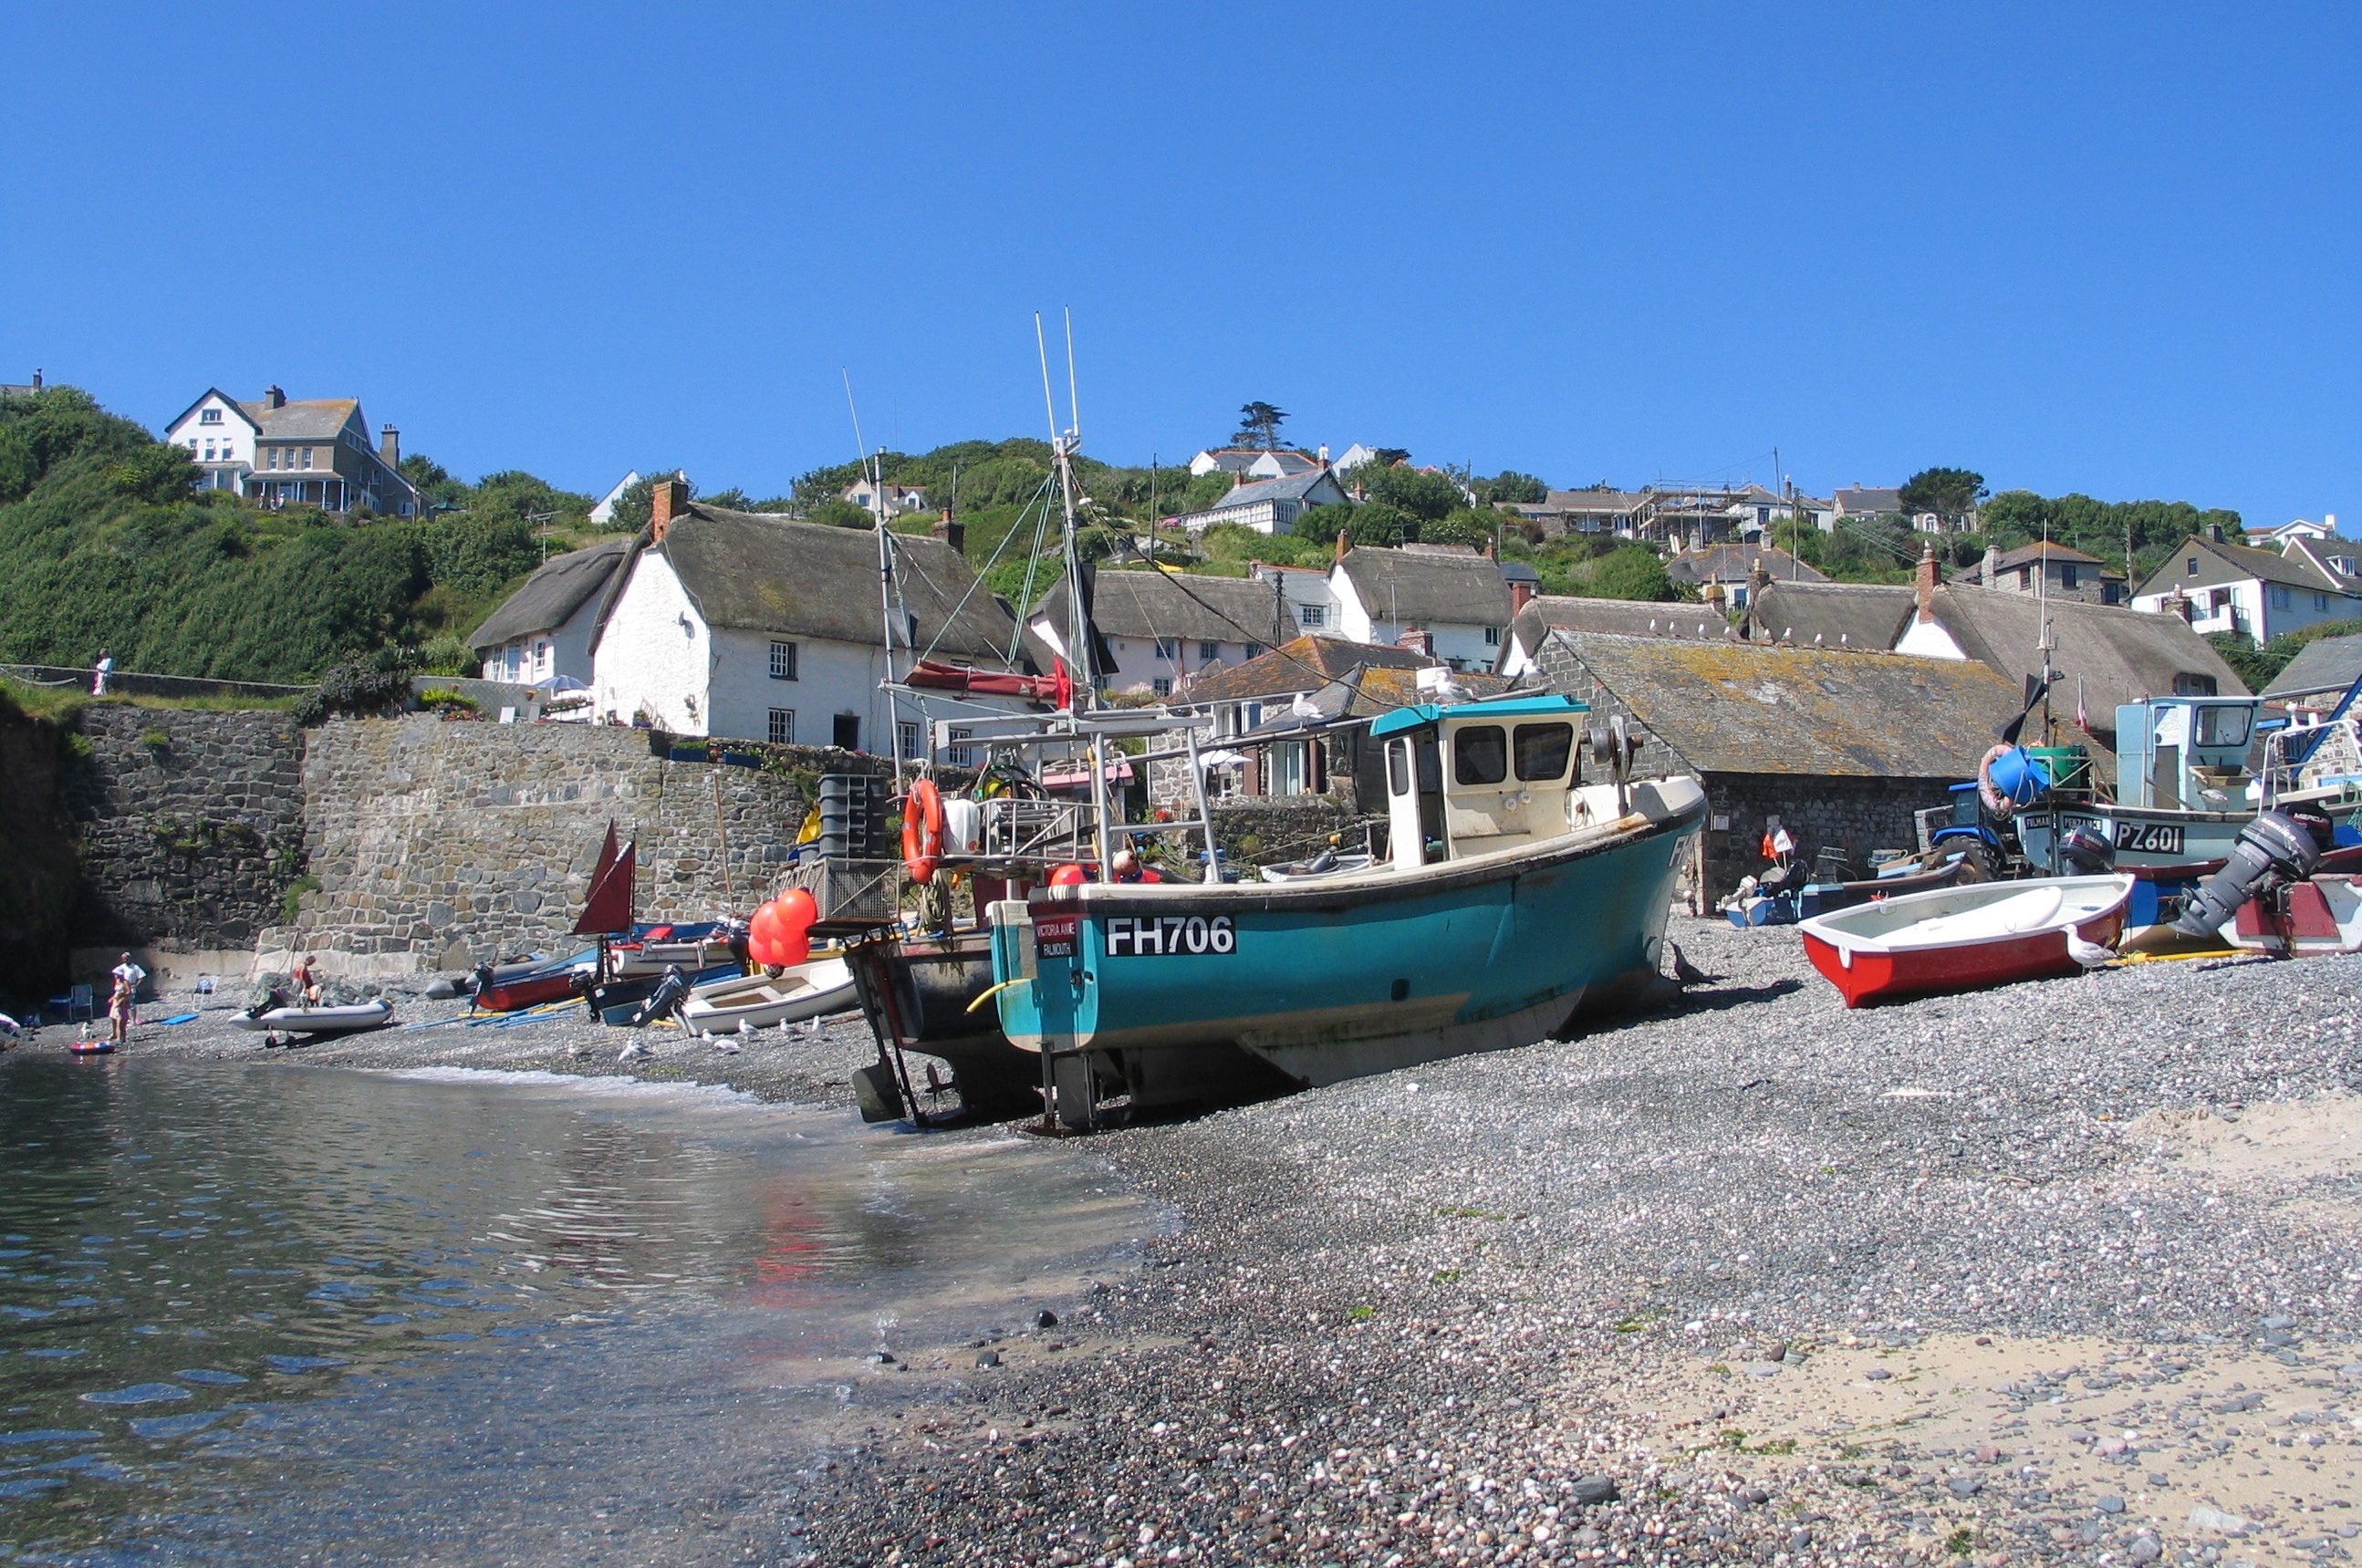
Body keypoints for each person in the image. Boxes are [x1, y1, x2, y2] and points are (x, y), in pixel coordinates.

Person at [109, 952, 146, 1027]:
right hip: (123, 988)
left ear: (130, 958)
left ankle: (133, 1020)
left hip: (131, 987)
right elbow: (115, 973)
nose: (125, 960)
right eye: (123, 959)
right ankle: (125, 1019)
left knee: (132, 1004)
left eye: (126, 958)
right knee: (123, 1005)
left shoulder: (135, 967)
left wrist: (135, 985)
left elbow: (142, 977)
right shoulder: (121, 967)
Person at [108, 976, 131, 1044]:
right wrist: (113, 998)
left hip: (121, 1000)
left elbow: (128, 992)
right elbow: (116, 992)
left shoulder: (125, 982)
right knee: (116, 1020)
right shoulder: (116, 980)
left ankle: (121, 1038)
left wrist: (122, 996)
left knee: (120, 1023)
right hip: (117, 999)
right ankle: (119, 1037)